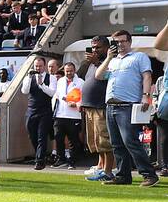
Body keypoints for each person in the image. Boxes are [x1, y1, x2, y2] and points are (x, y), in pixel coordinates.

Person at [94, 30, 158, 186]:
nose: (120, 44)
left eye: (123, 41)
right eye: (116, 42)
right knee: (116, 144)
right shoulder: (113, 60)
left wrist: (145, 95)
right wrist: (109, 57)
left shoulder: (139, 57)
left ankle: (149, 174)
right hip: (111, 106)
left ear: (130, 42)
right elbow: (98, 75)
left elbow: (147, 76)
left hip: (127, 105)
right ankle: (123, 175)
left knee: (131, 141)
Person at [79, 35, 115, 182]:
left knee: (104, 140)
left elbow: (105, 76)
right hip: (89, 105)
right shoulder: (90, 62)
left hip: (101, 105)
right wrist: (87, 62)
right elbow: (79, 75)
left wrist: (98, 61)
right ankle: (100, 166)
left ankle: (108, 170)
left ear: (106, 47)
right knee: (94, 141)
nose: (94, 50)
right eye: (93, 47)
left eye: (98, 47)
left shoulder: (111, 60)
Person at [20, 56, 55, 170]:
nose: (38, 68)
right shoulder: (29, 77)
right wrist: (30, 77)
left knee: (42, 136)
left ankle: (39, 161)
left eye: (40, 66)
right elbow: (24, 91)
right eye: (36, 66)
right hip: (31, 110)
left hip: (45, 111)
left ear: (44, 66)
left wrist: (42, 85)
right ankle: (40, 156)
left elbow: (52, 93)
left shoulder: (51, 78)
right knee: (32, 136)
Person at [51, 61, 83, 169]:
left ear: (74, 71)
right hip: (60, 114)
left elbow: (82, 98)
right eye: (67, 71)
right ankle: (61, 159)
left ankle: (72, 161)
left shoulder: (80, 82)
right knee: (58, 137)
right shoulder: (60, 81)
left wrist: (77, 103)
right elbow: (57, 95)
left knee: (73, 140)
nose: (69, 73)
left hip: (73, 115)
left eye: (71, 71)